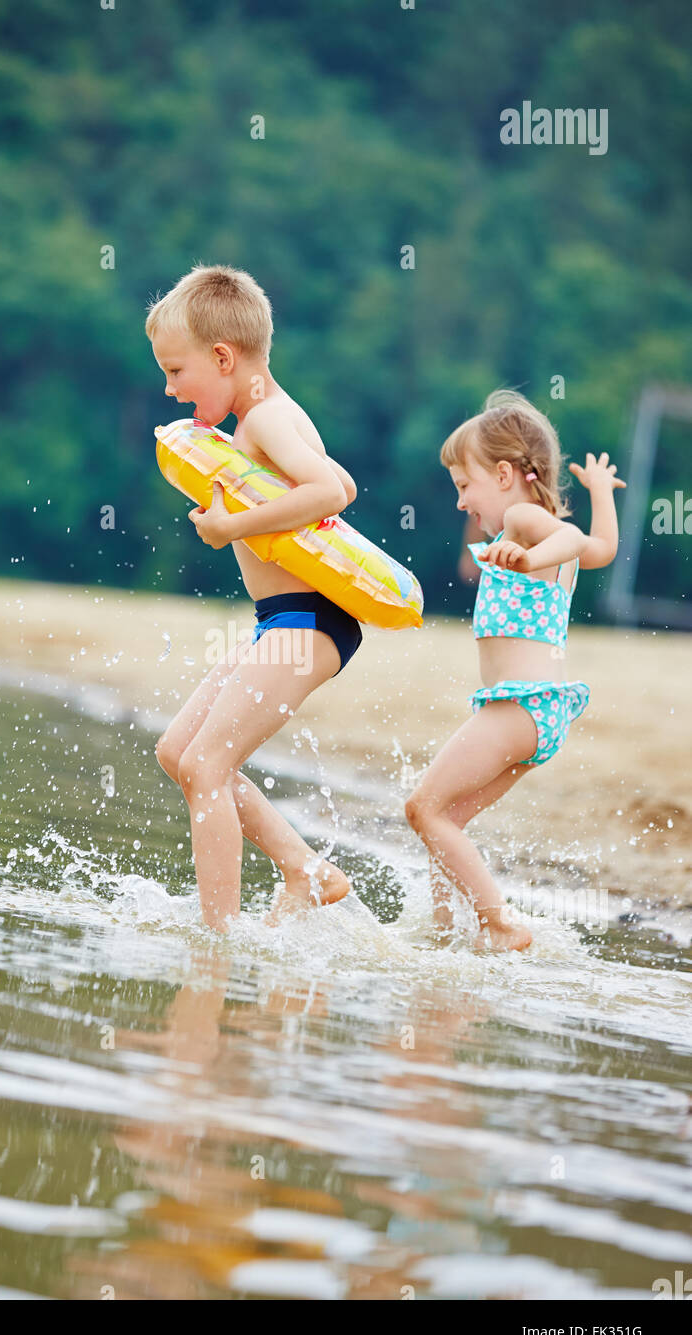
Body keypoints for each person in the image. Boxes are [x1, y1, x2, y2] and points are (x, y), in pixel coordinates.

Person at [146, 264, 362, 931]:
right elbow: (334, 475)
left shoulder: (266, 418)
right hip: (282, 621)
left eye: (177, 371)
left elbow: (334, 492)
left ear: (222, 357)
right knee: (178, 753)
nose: (168, 387)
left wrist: (229, 527)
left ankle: (218, 941)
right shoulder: (266, 417)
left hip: (310, 620)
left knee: (208, 763)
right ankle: (306, 869)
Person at [404, 389, 625, 951]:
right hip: (537, 714)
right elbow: (598, 546)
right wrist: (601, 493)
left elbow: (570, 540)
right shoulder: (529, 529)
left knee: (422, 808)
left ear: (505, 475)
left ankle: (498, 923)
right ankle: (446, 930)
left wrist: (528, 557)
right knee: (446, 817)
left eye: (464, 486)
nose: (460, 503)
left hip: (520, 706)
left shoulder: (528, 524)